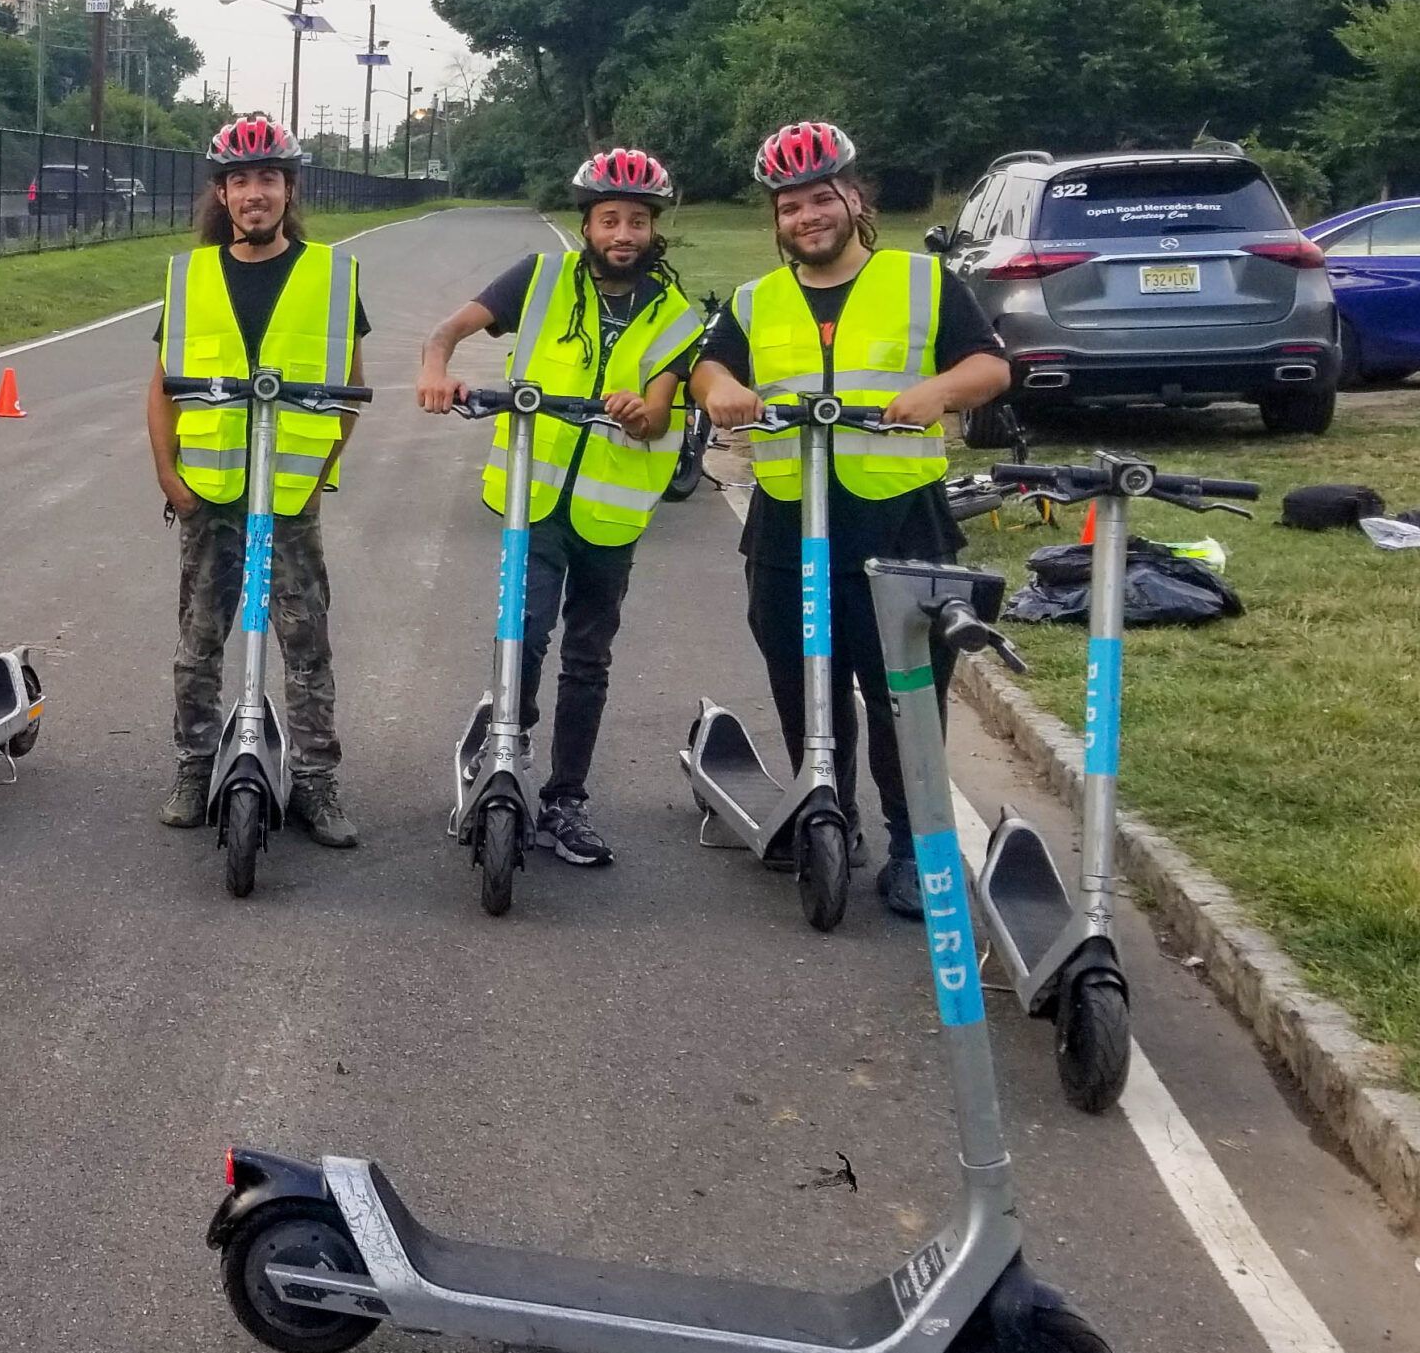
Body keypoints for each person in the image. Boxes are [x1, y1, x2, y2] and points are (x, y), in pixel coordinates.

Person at [688, 120, 1010, 917]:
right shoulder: (756, 300)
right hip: (790, 519)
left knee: (906, 688)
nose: (807, 217)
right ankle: (827, 806)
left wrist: (936, 393)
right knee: (803, 678)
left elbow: (991, 364)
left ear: (853, 199)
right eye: (790, 206)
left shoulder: (921, 280)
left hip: (901, 520)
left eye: (820, 199)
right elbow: (709, 365)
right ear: (777, 219)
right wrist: (718, 387)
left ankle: (913, 843)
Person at [415, 149, 707, 866]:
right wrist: (435, 370)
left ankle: (566, 799)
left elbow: (663, 415)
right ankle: (506, 744)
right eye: (610, 218)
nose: (624, 233)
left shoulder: (675, 313)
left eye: (637, 220)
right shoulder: (539, 278)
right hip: (534, 498)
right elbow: (448, 331)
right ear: (586, 223)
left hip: (613, 512)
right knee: (526, 630)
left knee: (588, 654)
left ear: (653, 228)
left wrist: (642, 412)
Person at [147, 114, 369, 848]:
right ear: (221, 193)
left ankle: (316, 782)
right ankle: (192, 764)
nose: (254, 193)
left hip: (289, 499)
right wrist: (169, 476)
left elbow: (350, 393)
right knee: (198, 642)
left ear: (288, 189)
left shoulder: (331, 276)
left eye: (268, 179)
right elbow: (162, 389)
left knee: (306, 645)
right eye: (240, 180)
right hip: (208, 497)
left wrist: (318, 472)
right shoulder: (191, 275)